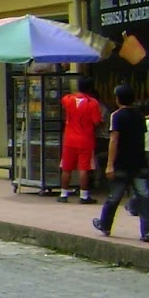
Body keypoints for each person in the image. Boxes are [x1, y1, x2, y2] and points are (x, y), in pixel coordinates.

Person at [93, 82, 149, 243]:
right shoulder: (140, 116)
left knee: (115, 196)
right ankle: (147, 231)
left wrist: (110, 164)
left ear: (118, 99)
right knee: (143, 197)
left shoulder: (116, 116)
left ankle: (105, 224)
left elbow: (114, 140)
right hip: (139, 161)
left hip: (121, 162)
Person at [58, 75, 104, 204]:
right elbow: (96, 122)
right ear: (90, 88)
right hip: (85, 139)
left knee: (66, 167)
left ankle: (63, 193)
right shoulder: (93, 103)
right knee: (84, 168)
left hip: (69, 139)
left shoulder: (67, 99)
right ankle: (84, 195)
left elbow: (63, 106)